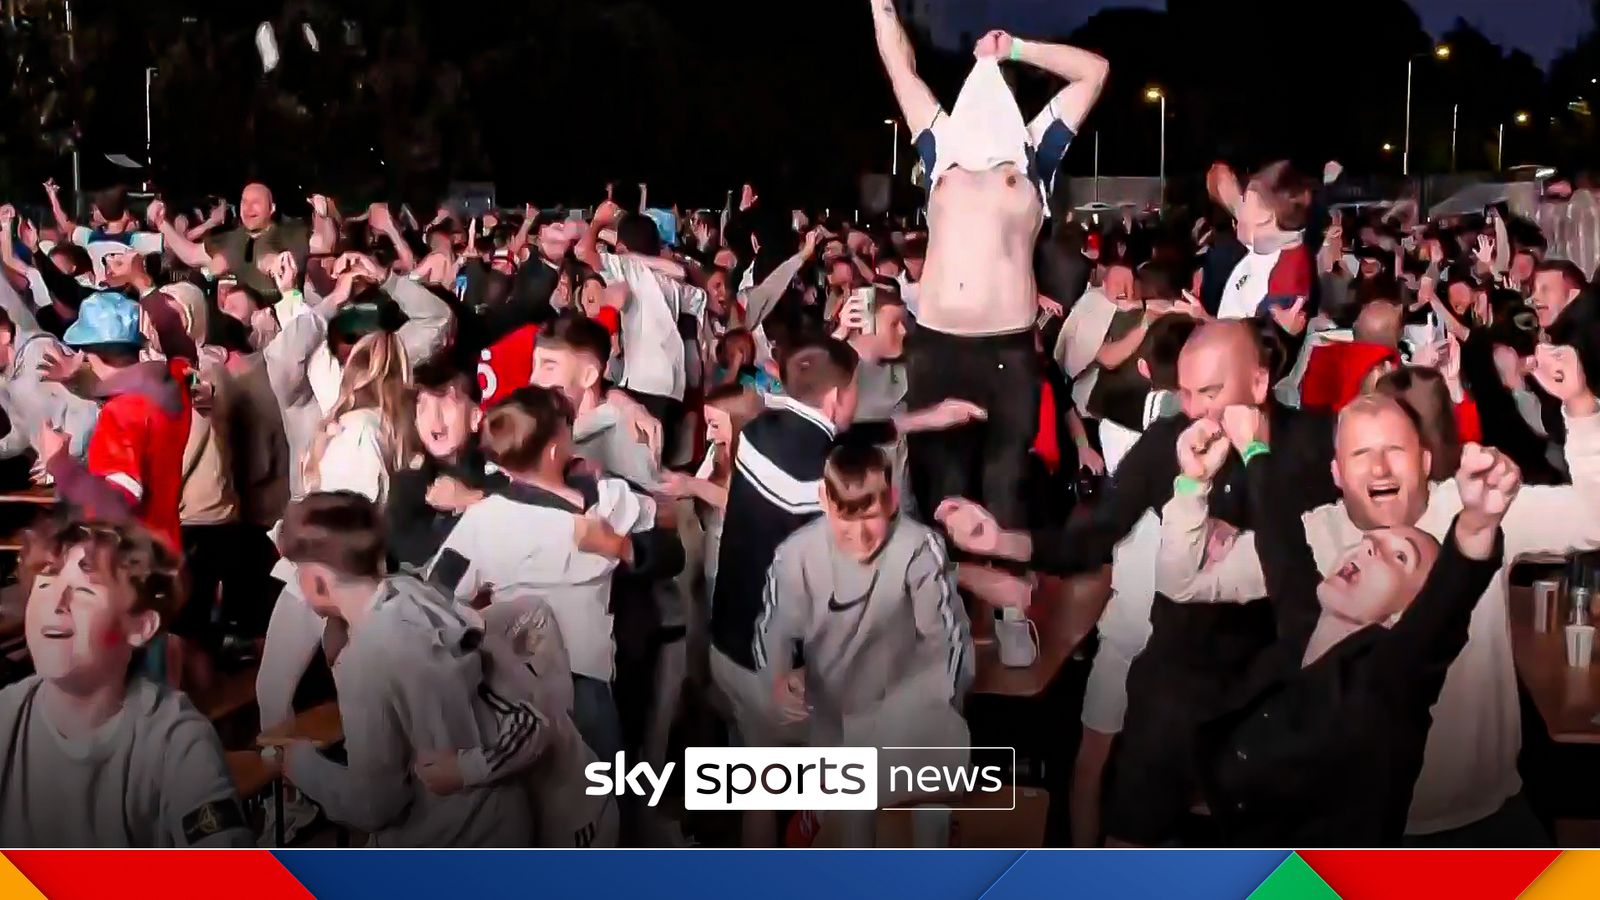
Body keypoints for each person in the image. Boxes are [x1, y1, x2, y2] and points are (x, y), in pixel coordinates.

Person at [1157, 346, 1600, 844]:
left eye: (1395, 450)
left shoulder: (1479, 505)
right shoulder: (1316, 537)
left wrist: (1580, 405)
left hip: (1484, 821)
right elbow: (1183, 579)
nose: (1381, 469)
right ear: (1337, 474)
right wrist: (1192, 487)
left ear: (1426, 460)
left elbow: (1592, 517)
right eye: (1361, 455)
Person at [937, 319, 1341, 847]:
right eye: (1186, 393)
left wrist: (1250, 528)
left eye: (1211, 393)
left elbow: (1335, 555)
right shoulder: (1170, 439)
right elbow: (1093, 534)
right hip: (1175, 684)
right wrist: (1000, 541)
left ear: (1260, 384)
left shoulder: (1313, 443)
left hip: (1268, 686)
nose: (1195, 411)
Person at [1166, 413, 1514, 846]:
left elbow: (1444, 612)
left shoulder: (1385, 686)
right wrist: (1247, 449)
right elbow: (1283, 542)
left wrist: (1477, 525)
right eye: (1372, 542)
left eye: (1400, 557)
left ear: (1403, 616)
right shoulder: (1303, 625)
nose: (1372, 548)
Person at [868, 2, 1107, 528]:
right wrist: (882, 5)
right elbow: (899, 64)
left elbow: (1095, 71)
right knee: (941, 489)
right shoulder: (939, 143)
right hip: (938, 346)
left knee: (1005, 488)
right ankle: (941, 603)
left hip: (1006, 349)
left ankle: (1009, 605)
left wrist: (1016, 49)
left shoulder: (1033, 151)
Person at [428, 386, 676, 762]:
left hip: (513, 678)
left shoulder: (484, 518)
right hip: (587, 676)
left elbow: (439, 592)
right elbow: (672, 550)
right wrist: (624, 547)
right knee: (600, 786)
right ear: (556, 448)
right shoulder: (606, 501)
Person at [274, 492, 535, 847]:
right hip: (506, 824)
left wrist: (299, 765)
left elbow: (377, 806)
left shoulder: (366, 659)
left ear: (317, 580)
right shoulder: (418, 593)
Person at [755, 442, 973, 847]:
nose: (859, 536)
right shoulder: (794, 556)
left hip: (914, 716)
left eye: (870, 517)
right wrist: (780, 676)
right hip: (838, 724)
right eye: (845, 521)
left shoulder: (918, 548)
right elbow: (774, 631)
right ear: (824, 499)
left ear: (891, 500)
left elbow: (947, 650)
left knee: (931, 841)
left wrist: (921, 712)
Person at [0, 519, 252, 847]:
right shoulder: (6, 717)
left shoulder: (175, 739)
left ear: (141, 626)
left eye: (86, 591)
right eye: (45, 585)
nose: (56, 601)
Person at [710, 337, 859, 846]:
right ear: (837, 399)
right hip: (781, 674)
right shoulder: (826, 477)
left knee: (761, 795)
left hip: (727, 648)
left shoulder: (753, 432)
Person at [37, 292, 193, 553]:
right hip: (166, 549)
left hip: (131, 563)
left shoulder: (120, 413)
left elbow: (115, 505)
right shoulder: (173, 384)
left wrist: (59, 464)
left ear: (88, 352)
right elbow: (127, 383)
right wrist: (75, 380)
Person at [385, 361, 506, 570]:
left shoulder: (503, 477)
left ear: (475, 416)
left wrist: (470, 499)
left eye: (446, 406)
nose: (435, 420)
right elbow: (405, 554)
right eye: (422, 408)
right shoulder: (406, 485)